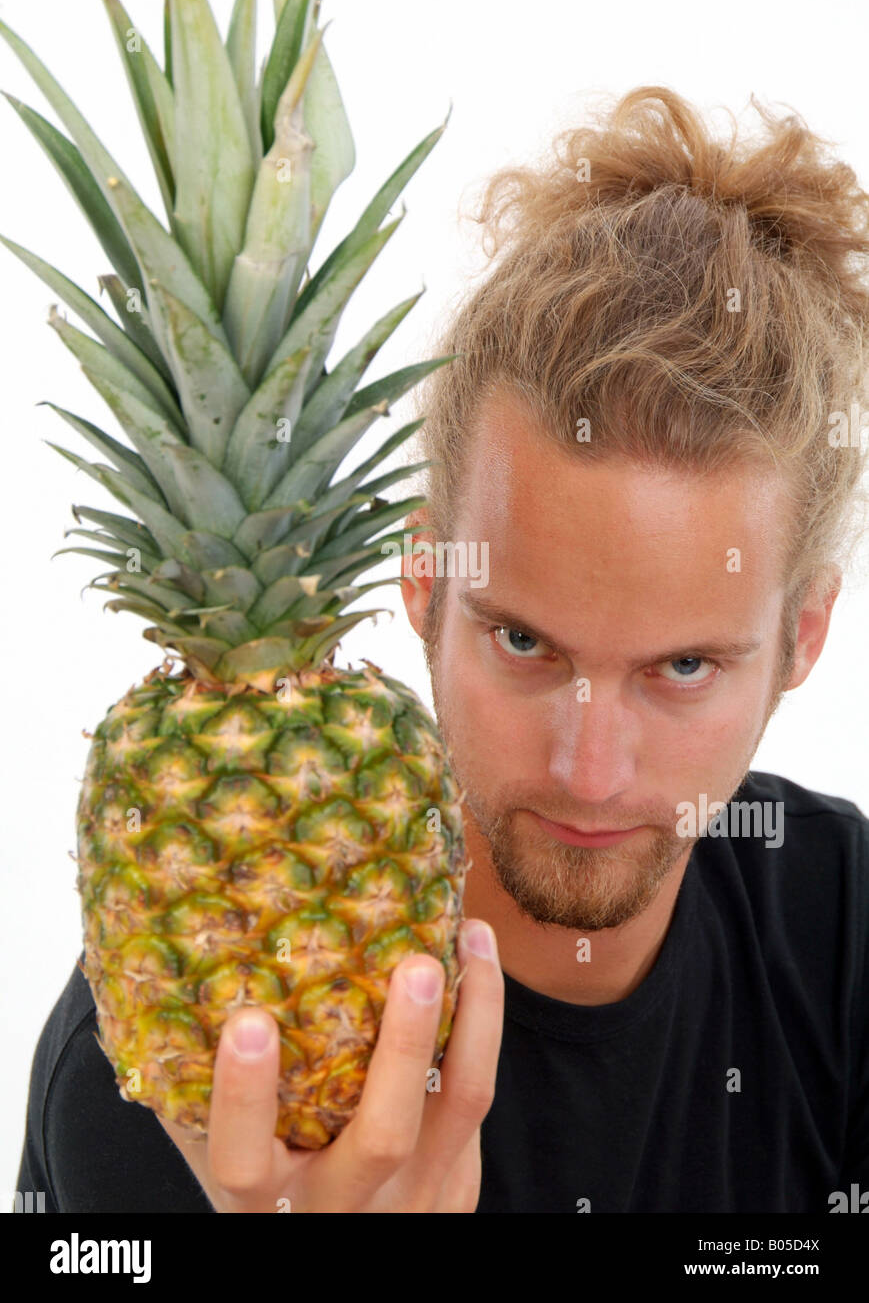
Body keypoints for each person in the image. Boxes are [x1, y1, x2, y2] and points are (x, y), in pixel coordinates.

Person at [15, 85, 869, 1213]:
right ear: (424, 581)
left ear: (801, 636)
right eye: (521, 639)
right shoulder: (187, 1059)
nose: (588, 768)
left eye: (681, 668)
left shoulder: (840, 928)